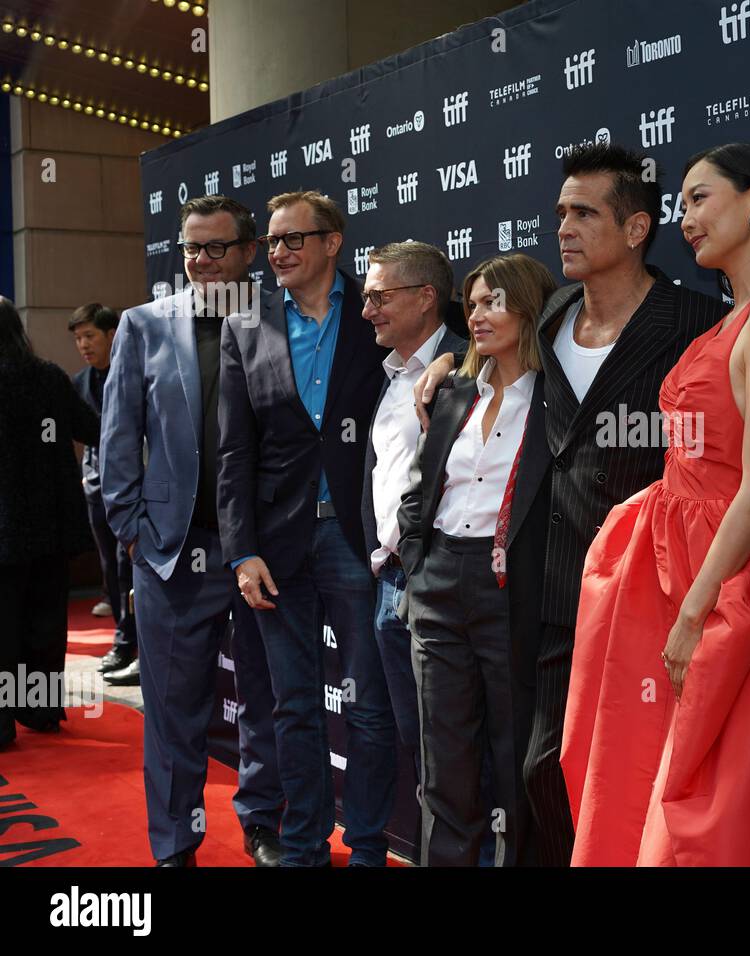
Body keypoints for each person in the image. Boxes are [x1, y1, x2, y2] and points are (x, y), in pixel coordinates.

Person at [415, 143, 727, 865]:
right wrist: (442, 360)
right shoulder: (550, 312)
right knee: (537, 776)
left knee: (632, 779)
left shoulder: (694, 322)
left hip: (644, 592)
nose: (564, 228)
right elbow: (482, 338)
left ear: (638, 228)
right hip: (543, 589)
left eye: (584, 213)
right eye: (560, 213)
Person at [560, 143, 750, 866]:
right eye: (684, 204)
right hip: (669, 571)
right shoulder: (731, 320)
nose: (687, 218)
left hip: (725, 584)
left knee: (707, 800)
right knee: (640, 774)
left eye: (702, 198)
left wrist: (695, 611)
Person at [100, 195, 284, 866]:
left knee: (267, 699)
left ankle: (263, 822)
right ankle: (176, 842)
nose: (201, 261)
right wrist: (130, 530)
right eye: (190, 249)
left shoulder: (281, 320)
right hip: (172, 553)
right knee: (173, 713)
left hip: (262, 553)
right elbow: (118, 435)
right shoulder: (143, 326)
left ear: (249, 251)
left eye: (215, 248)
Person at [218, 190, 394, 867]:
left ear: (333, 242)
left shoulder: (378, 309)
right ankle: (303, 848)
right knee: (293, 707)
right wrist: (242, 551)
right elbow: (234, 452)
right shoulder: (246, 327)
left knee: (371, 708)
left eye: (297, 238)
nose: (281, 251)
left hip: (361, 538)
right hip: (279, 547)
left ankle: (371, 846)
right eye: (273, 240)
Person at [398, 253, 556, 866]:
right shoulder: (453, 390)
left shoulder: (554, 396)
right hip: (438, 580)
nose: (479, 314)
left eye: (495, 301)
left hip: (511, 586)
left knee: (516, 752)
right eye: (473, 303)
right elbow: (423, 485)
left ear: (529, 306)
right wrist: (417, 563)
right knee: (445, 759)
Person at [359, 240, 466, 843]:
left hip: (442, 582)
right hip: (389, 582)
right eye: (368, 296)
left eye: (381, 296)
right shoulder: (390, 375)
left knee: (456, 758)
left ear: (426, 297)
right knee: (421, 752)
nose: (368, 308)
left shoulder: (471, 360)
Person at [0, 298, 97, 748]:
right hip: (49, 526)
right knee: (43, 620)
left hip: (5, 529)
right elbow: (92, 430)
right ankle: (38, 711)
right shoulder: (50, 378)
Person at [69, 303, 138, 683]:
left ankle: (137, 642)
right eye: (78, 338)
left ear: (112, 334)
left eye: (89, 336)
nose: (83, 345)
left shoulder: (135, 371)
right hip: (96, 488)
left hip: (133, 489)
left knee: (129, 565)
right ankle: (122, 640)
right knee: (110, 568)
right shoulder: (79, 382)